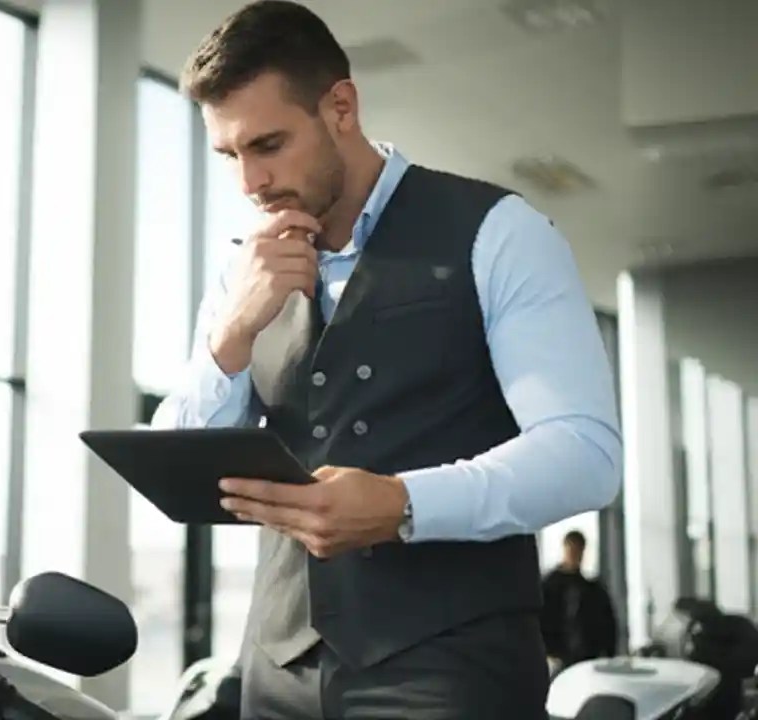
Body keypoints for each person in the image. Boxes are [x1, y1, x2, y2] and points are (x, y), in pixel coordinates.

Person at [150, 1, 623, 717]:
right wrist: (234, 332)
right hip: (275, 671)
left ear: (341, 105)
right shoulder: (238, 275)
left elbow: (586, 454)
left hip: (450, 669)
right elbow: (178, 466)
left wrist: (403, 504)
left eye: (268, 144)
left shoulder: (498, 234)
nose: (250, 182)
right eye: (229, 155)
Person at [541, 531, 619, 671]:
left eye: (578, 551)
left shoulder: (592, 590)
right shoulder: (548, 586)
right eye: (572, 550)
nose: (575, 555)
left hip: (584, 657)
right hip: (557, 657)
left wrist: (608, 654)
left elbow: (607, 624)